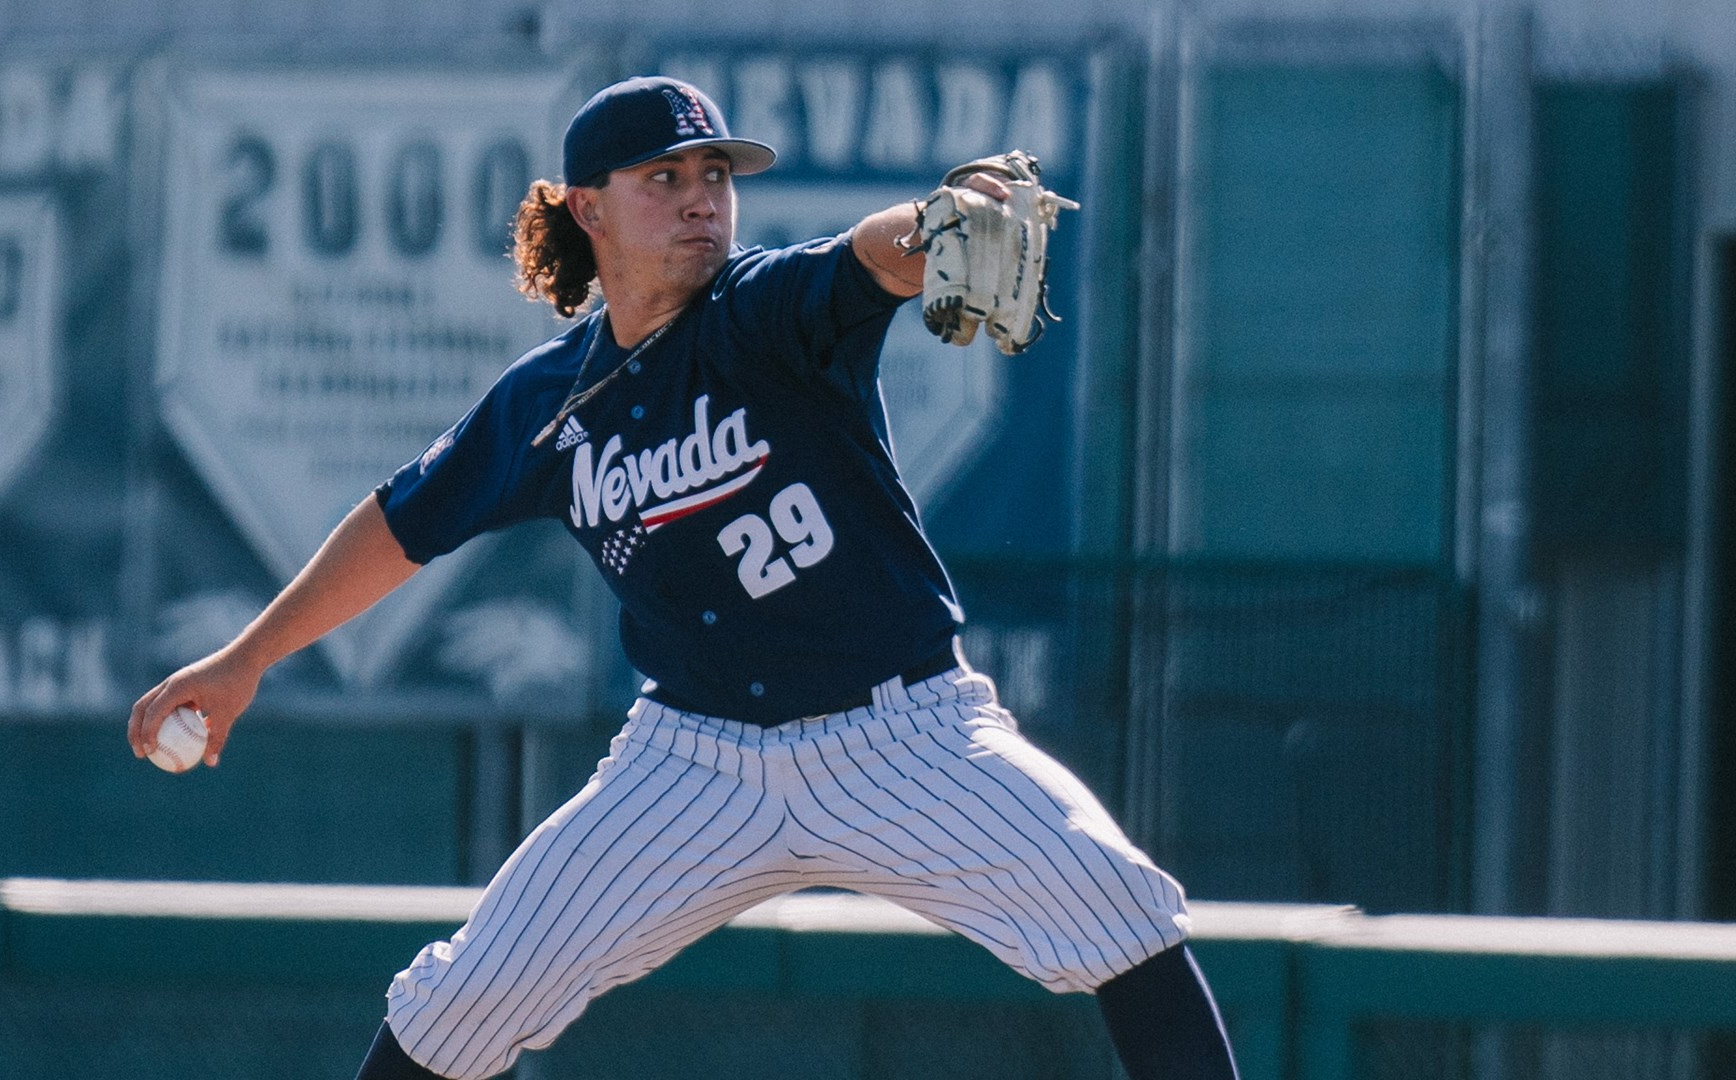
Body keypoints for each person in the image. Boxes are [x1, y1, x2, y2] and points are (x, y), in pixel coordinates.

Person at [130, 75, 1240, 1080]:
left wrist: (939, 221)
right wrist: (245, 660)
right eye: (663, 179)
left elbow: (867, 260)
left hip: (903, 733)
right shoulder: (546, 402)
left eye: (716, 175)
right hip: (695, 760)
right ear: (588, 208)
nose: (702, 199)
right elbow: (399, 524)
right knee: (462, 1001)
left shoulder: (764, 312)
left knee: (1120, 913)